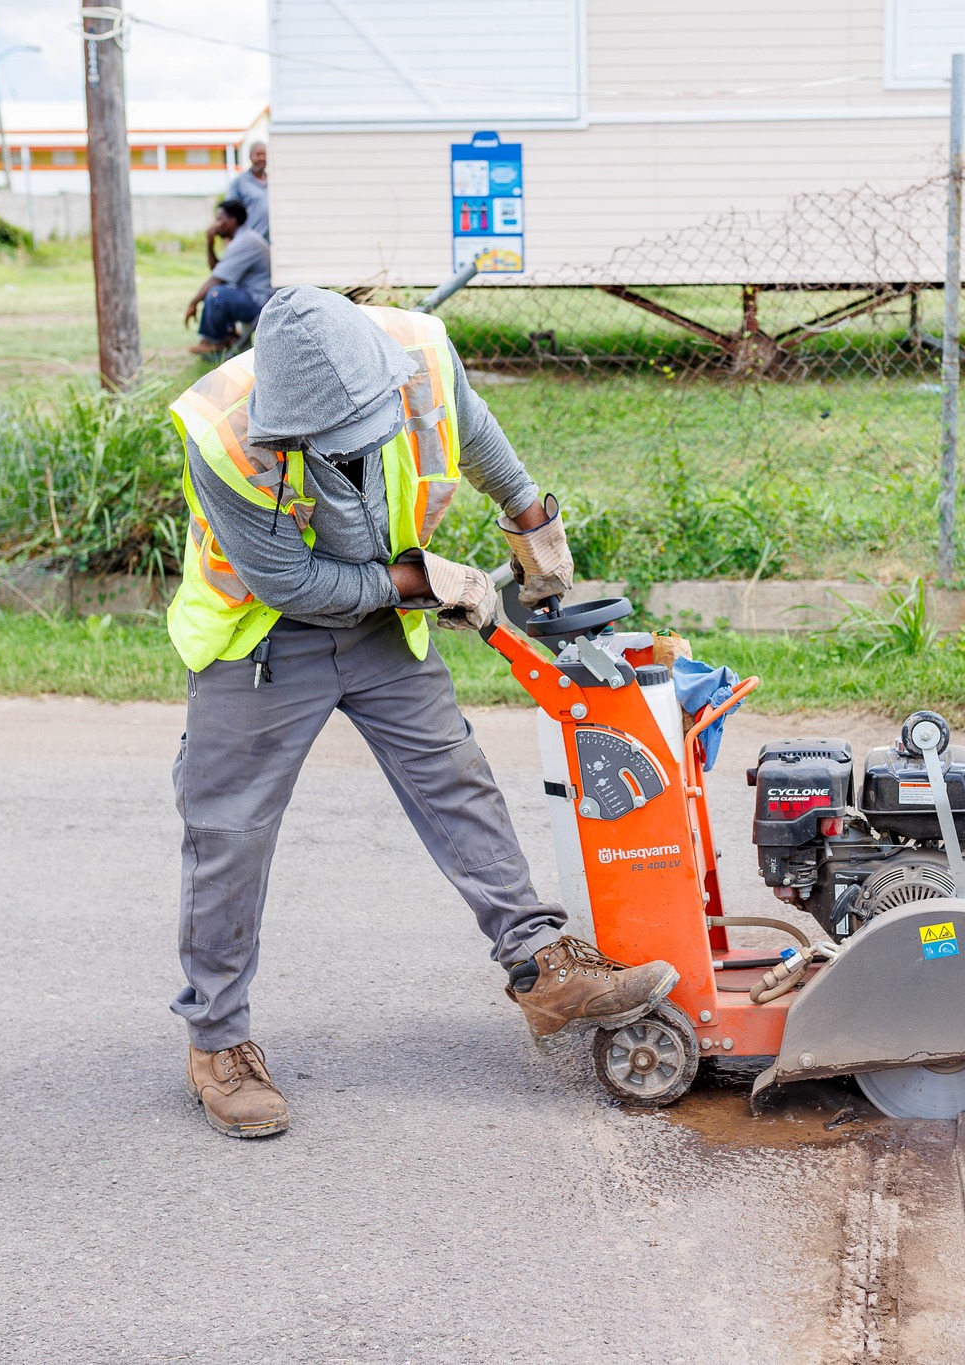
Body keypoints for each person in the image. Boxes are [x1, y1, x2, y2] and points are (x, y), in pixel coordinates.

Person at [164, 285, 679, 1138]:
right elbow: (290, 582)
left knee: (455, 778)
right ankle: (216, 1041)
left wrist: (530, 520)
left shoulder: (421, 355)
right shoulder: (224, 440)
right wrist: (420, 581)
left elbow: (474, 434)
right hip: (260, 640)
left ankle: (541, 965)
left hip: (379, 625)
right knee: (230, 833)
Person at [184, 199, 271, 357]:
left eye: (219, 219)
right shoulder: (240, 239)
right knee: (220, 291)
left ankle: (215, 340)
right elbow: (217, 270)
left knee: (216, 294)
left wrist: (193, 303)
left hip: (261, 301)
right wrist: (210, 244)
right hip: (250, 297)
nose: (216, 224)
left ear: (232, 220)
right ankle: (227, 337)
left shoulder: (245, 241)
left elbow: (216, 279)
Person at [209, 140, 268, 265]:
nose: (261, 158)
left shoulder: (274, 181)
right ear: (250, 157)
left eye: (264, 154)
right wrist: (229, 242)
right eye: (258, 154)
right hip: (248, 244)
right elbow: (228, 213)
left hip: (270, 245)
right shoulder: (240, 182)